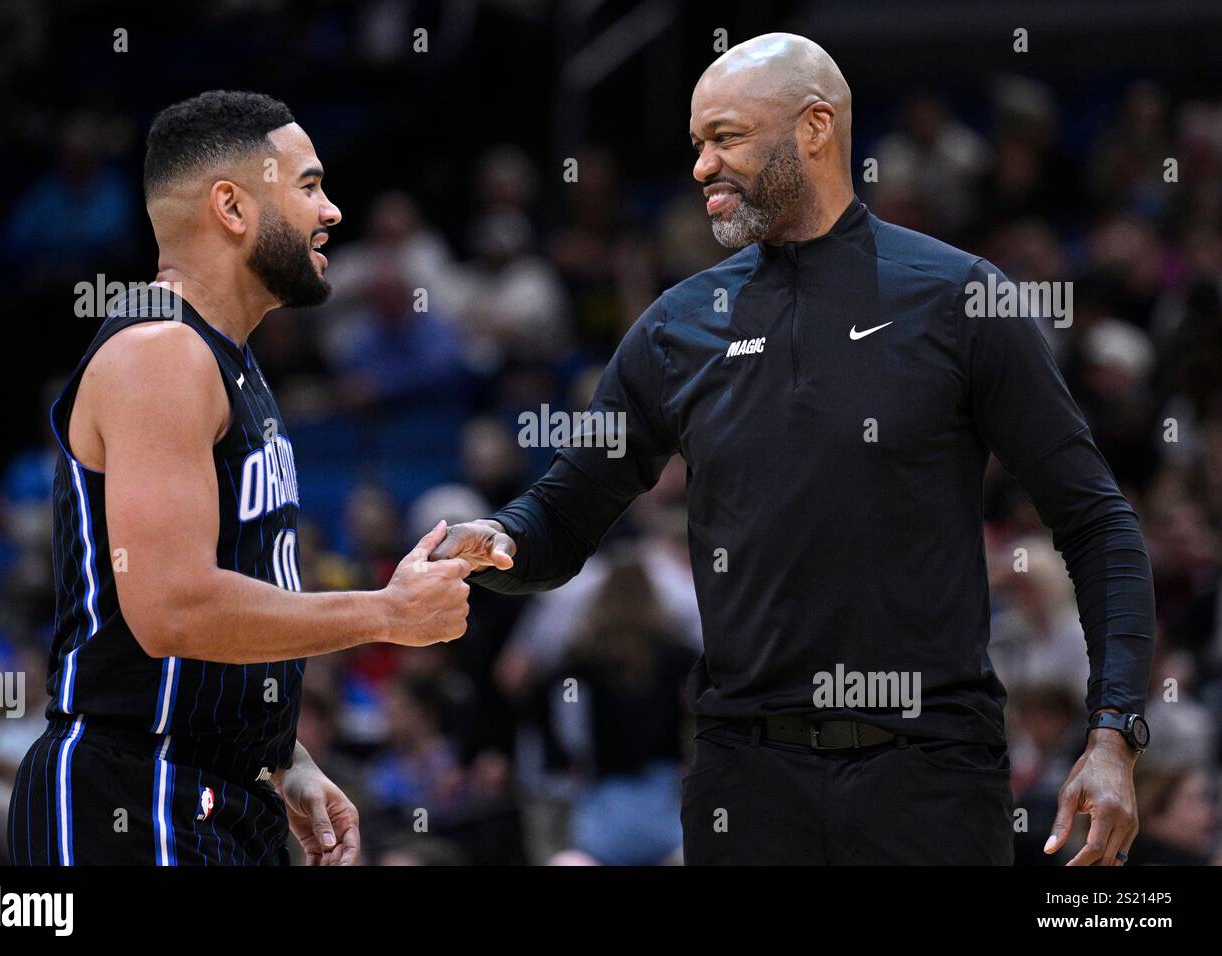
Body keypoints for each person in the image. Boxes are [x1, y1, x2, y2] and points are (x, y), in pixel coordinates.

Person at [430, 34, 1156, 865]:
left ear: (815, 128)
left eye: (725, 138)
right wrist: (500, 541)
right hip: (746, 781)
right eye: (696, 144)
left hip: (931, 775)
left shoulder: (961, 298)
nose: (701, 166)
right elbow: (561, 513)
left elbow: (1098, 526)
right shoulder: (677, 326)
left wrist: (1114, 733)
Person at [7, 91, 472, 866]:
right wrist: (387, 614)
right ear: (232, 205)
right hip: (132, 795)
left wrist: (282, 757)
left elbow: (236, 598)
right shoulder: (161, 353)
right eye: (309, 186)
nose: (332, 211)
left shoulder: (231, 361)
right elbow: (173, 610)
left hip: (217, 791)